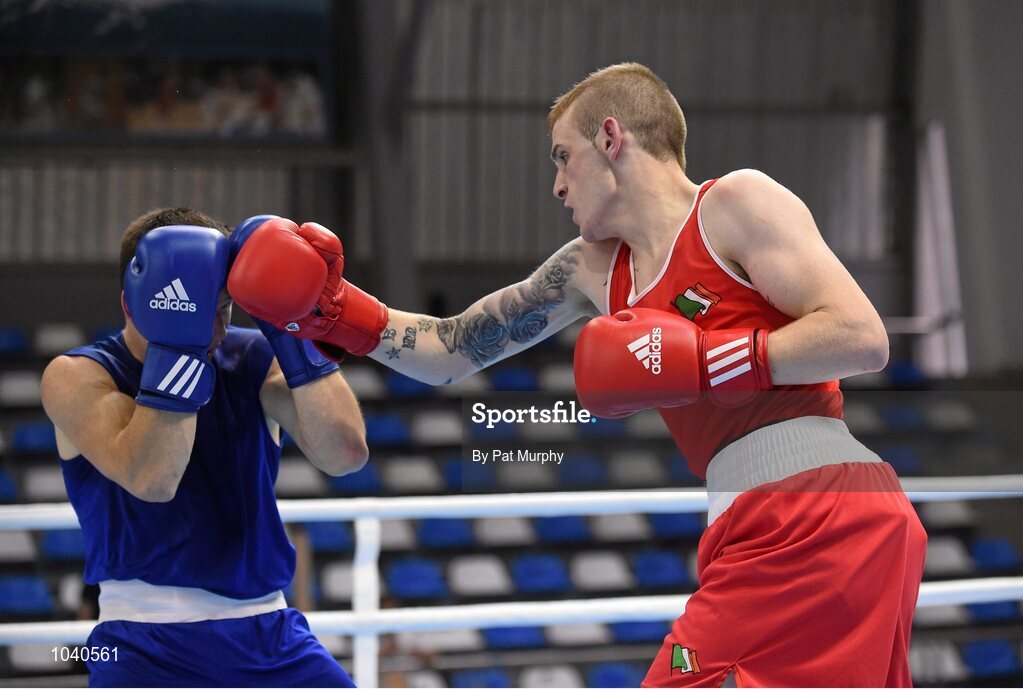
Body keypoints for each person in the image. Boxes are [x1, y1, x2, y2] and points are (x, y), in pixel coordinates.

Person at [228, 63, 928, 687]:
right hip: (754, 516)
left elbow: (860, 336)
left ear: (611, 138)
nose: (557, 183)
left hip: (822, 504)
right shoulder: (591, 269)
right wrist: (336, 310)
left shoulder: (732, 205)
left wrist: (702, 360)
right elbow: (450, 348)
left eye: (563, 156)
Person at [40, 207, 368, 687]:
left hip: (271, 634)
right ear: (135, 302)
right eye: (195, 309)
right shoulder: (78, 376)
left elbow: (345, 455)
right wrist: (180, 345)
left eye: (222, 307)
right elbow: (153, 477)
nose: (213, 329)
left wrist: (294, 329)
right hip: (142, 639)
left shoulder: (251, 357)